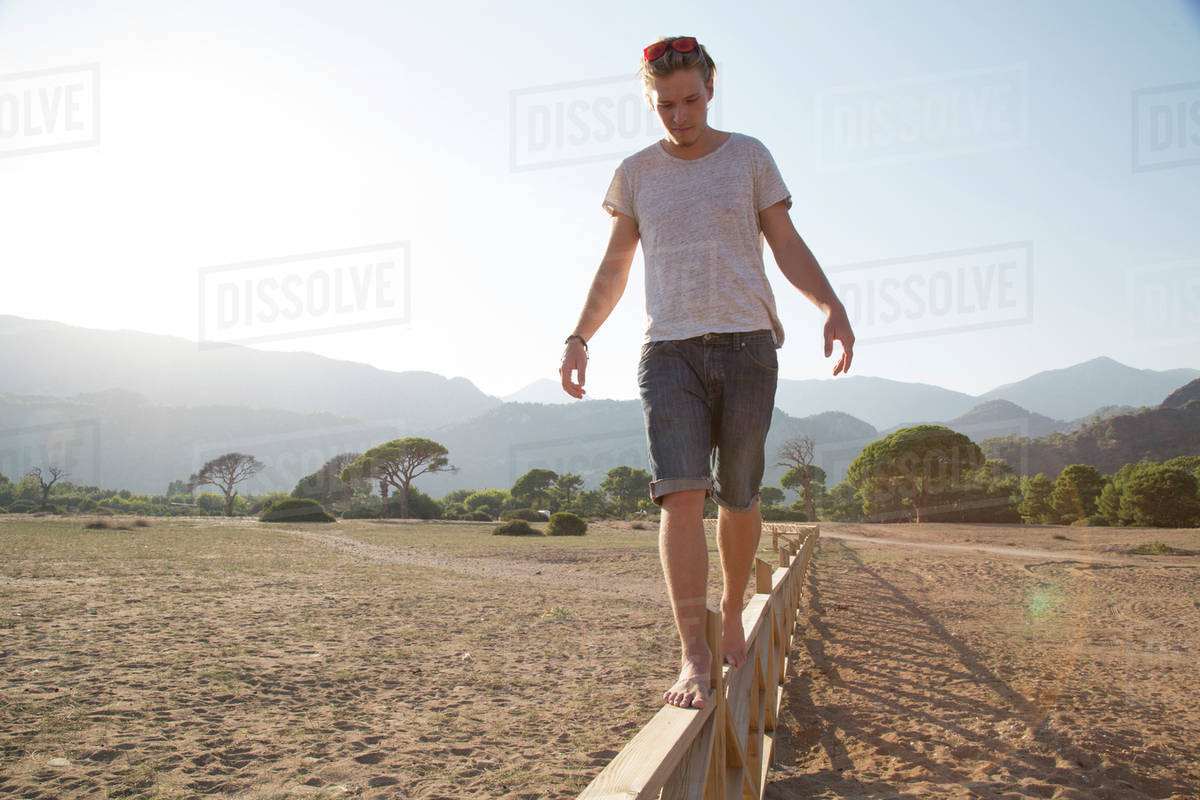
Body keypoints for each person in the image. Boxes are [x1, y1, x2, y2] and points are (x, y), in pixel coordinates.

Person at [559, 36, 855, 710]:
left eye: (690, 100)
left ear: (710, 90)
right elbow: (615, 268)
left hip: (750, 346)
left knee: (740, 495)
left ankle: (734, 602)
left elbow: (784, 242)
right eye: (666, 104)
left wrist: (830, 306)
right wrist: (580, 336)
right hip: (670, 353)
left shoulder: (749, 157)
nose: (680, 115)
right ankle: (693, 656)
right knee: (681, 493)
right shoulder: (635, 173)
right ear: (650, 101)